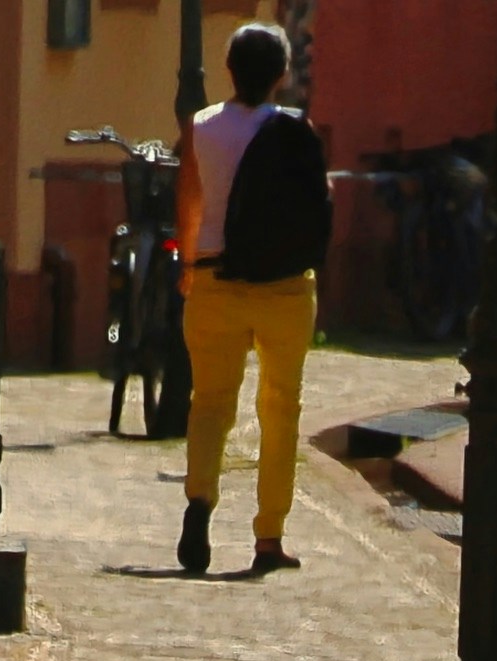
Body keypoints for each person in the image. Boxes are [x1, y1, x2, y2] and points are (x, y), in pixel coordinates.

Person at [172, 23, 332, 578]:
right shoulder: (294, 131)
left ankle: (198, 502)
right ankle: (268, 536)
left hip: (216, 279)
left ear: (228, 69)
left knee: (210, 401)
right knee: (281, 407)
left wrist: (188, 267)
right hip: (286, 288)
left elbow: (189, 202)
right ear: (282, 74)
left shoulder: (202, 127)